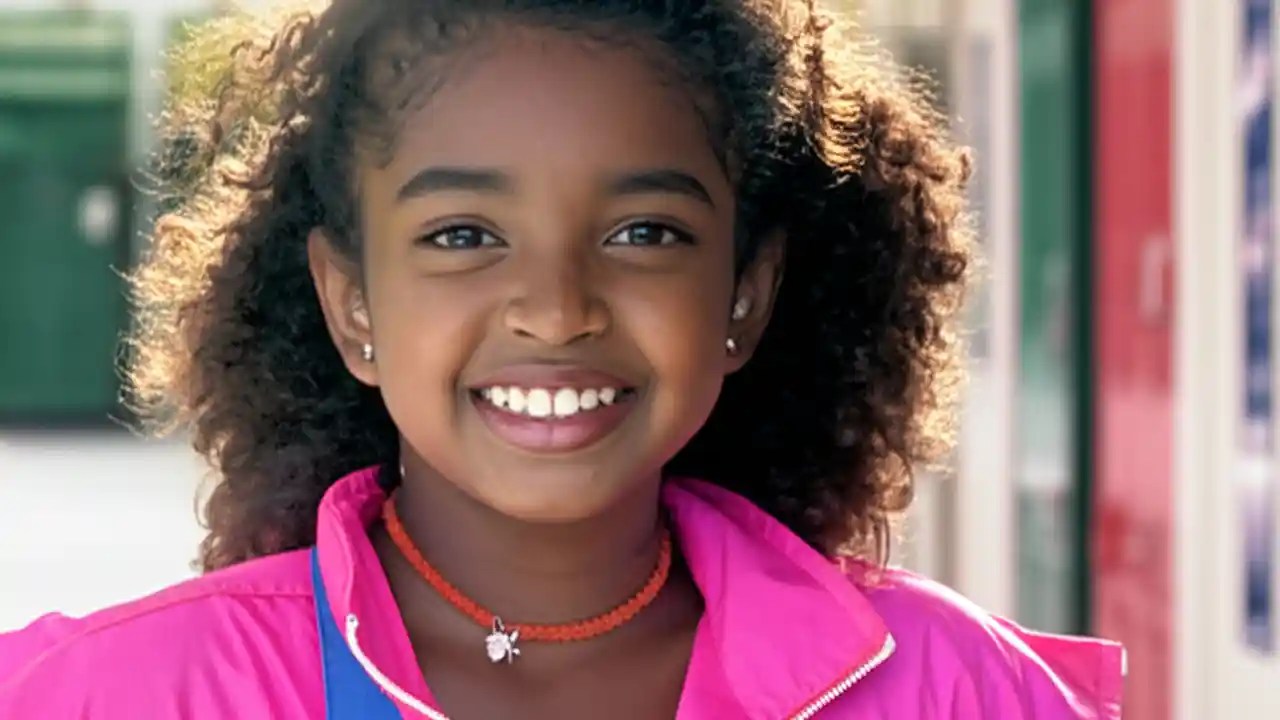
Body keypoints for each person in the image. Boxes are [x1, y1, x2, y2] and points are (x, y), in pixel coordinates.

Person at [0, 0, 1123, 717]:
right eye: (461, 236)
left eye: (643, 233)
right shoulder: (118, 694)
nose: (554, 308)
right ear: (351, 304)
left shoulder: (955, 692)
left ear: (744, 294)